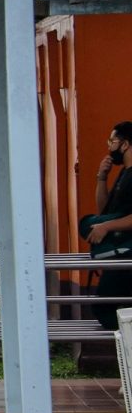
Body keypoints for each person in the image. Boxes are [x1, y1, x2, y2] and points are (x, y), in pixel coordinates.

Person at [82, 122, 132, 329]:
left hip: (127, 251)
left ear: (125, 144)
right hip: (118, 251)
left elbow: (108, 221)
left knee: (105, 307)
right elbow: (105, 212)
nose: (109, 146)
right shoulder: (124, 174)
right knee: (105, 306)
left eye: (112, 141)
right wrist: (101, 178)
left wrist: (106, 227)